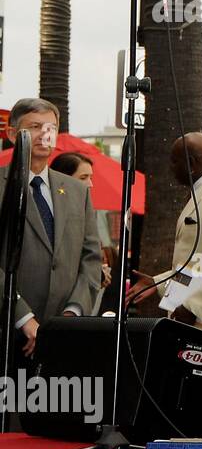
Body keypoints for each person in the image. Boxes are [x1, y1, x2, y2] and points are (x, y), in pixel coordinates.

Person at [129, 133, 202, 438]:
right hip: (199, 327)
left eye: (175, 160)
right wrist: (157, 282)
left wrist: (192, 307)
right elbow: (198, 264)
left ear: (192, 163)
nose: (170, 167)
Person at [0, 99, 101, 387]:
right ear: (11, 134)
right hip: (10, 336)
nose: (45, 135)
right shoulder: (2, 185)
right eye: (34, 127)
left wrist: (71, 315)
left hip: (63, 340)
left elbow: (90, 259)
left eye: (51, 128)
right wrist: (25, 319)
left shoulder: (77, 191)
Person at [49, 153, 112, 297]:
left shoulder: (85, 212)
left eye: (91, 178)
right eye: (83, 178)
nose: (90, 184)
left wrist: (96, 272)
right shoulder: (50, 212)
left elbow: (88, 254)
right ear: (63, 178)